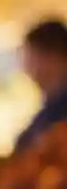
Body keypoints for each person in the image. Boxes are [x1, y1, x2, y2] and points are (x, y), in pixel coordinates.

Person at [16, 19, 67, 152]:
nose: (27, 70)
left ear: (54, 56)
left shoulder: (57, 110)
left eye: (31, 58)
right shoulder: (49, 111)